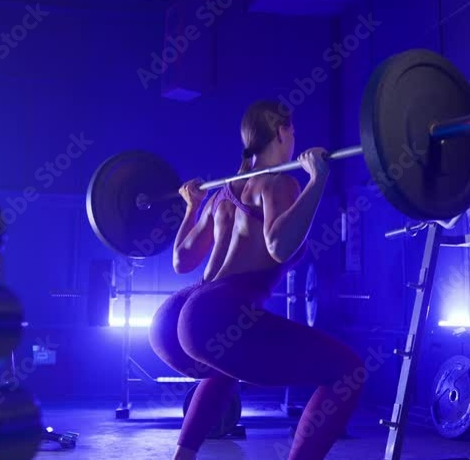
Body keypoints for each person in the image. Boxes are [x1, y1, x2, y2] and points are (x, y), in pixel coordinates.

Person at [149, 100, 365, 460]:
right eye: (292, 130)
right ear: (282, 132)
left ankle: (182, 457)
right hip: (213, 316)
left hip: (173, 321)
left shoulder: (221, 195)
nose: (294, 137)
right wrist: (318, 180)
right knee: (349, 371)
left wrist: (191, 207)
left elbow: (181, 260)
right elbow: (279, 246)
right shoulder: (279, 184)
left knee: (225, 367)